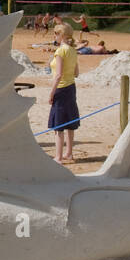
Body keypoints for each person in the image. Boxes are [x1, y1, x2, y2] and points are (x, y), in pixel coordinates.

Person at [47, 23, 79, 164]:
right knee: (70, 121)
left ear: (61, 35)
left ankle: (59, 156)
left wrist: (51, 93)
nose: (54, 36)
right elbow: (76, 73)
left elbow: (58, 74)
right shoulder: (72, 50)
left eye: (55, 33)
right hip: (71, 87)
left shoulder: (60, 51)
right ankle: (69, 153)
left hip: (61, 87)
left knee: (59, 124)